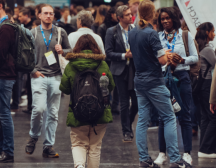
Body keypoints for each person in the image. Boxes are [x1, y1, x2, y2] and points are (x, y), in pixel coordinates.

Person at [129, 1, 192, 167]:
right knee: (169, 117)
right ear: (153, 14)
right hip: (154, 82)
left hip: (139, 82)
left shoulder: (132, 33)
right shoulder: (151, 33)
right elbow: (162, 60)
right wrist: (165, 53)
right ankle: (175, 160)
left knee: (142, 120)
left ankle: (144, 159)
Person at [60, 34, 115, 168]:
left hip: (77, 111)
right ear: (95, 47)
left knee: (78, 143)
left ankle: (79, 165)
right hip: (100, 111)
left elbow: (65, 89)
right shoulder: (102, 64)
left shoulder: (71, 65)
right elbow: (111, 86)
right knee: (95, 147)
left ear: (77, 47)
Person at [25, 4, 71, 158]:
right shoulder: (33, 33)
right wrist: (33, 71)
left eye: (51, 14)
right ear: (39, 15)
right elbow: (26, 55)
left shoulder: (60, 32)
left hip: (56, 76)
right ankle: (33, 136)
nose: (49, 16)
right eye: (45, 13)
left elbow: (70, 51)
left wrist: (62, 51)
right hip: (39, 76)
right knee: (38, 109)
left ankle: (48, 146)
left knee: (53, 114)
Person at [154, 7, 199, 165]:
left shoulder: (185, 35)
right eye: (162, 19)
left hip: (182, 77)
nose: (165, 21)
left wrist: (181, 60)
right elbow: (153, 59)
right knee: (163, 117)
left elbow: (195, 57)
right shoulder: (158, 37)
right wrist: (164, 58)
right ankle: (162, 153)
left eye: (167, 18)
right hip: (164, 78)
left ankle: (187, 153)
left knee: (185, 116)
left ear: (173, 18)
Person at [105, 5, 138, 142]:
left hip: (135, 70)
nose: (131, 17)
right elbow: (108, 53)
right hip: (119, 70)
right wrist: (125, 55)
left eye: (130, 14)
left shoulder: (136, 30)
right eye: (127, 15)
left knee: (136, 102)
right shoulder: (111, 31)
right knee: (124, 102)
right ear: (119, 18)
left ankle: (128, 124)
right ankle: (126, 131)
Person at [0, 0, 16, 163]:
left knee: (4, 114)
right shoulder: (1, 25)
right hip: (1, 75)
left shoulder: (6, 26)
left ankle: (8, 151)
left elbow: (0, 54)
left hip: (3, 76)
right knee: (1, 114)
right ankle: (2, 149)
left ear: (0, 6)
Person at [195, 22, 216, 158]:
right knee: (213, 117)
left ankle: (204, 147)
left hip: (200, 86)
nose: (214, 34)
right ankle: (206, 149)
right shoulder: (207, 50)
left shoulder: (199, 47)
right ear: (207, 32)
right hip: (208, 84)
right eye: (213, 31)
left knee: (205, 117)